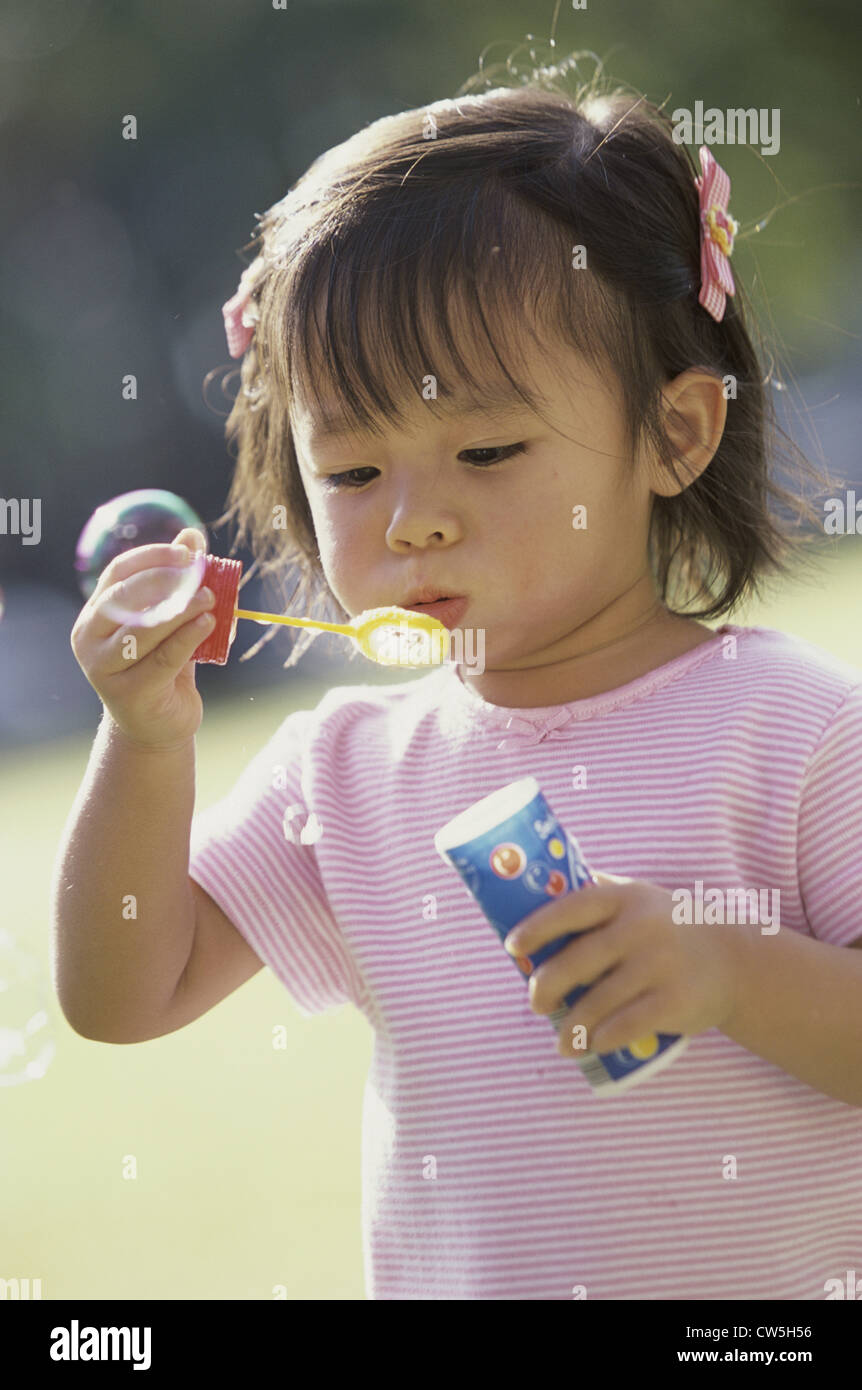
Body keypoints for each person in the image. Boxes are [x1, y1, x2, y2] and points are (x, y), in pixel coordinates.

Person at [55, 68, 862, 1301]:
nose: (415, 519)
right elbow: (123, 992)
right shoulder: (347, 772)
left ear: (675, 433)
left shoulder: (789, 727)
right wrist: (145, 739)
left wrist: (728, 972)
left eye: (486, 450)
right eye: (354, 468)